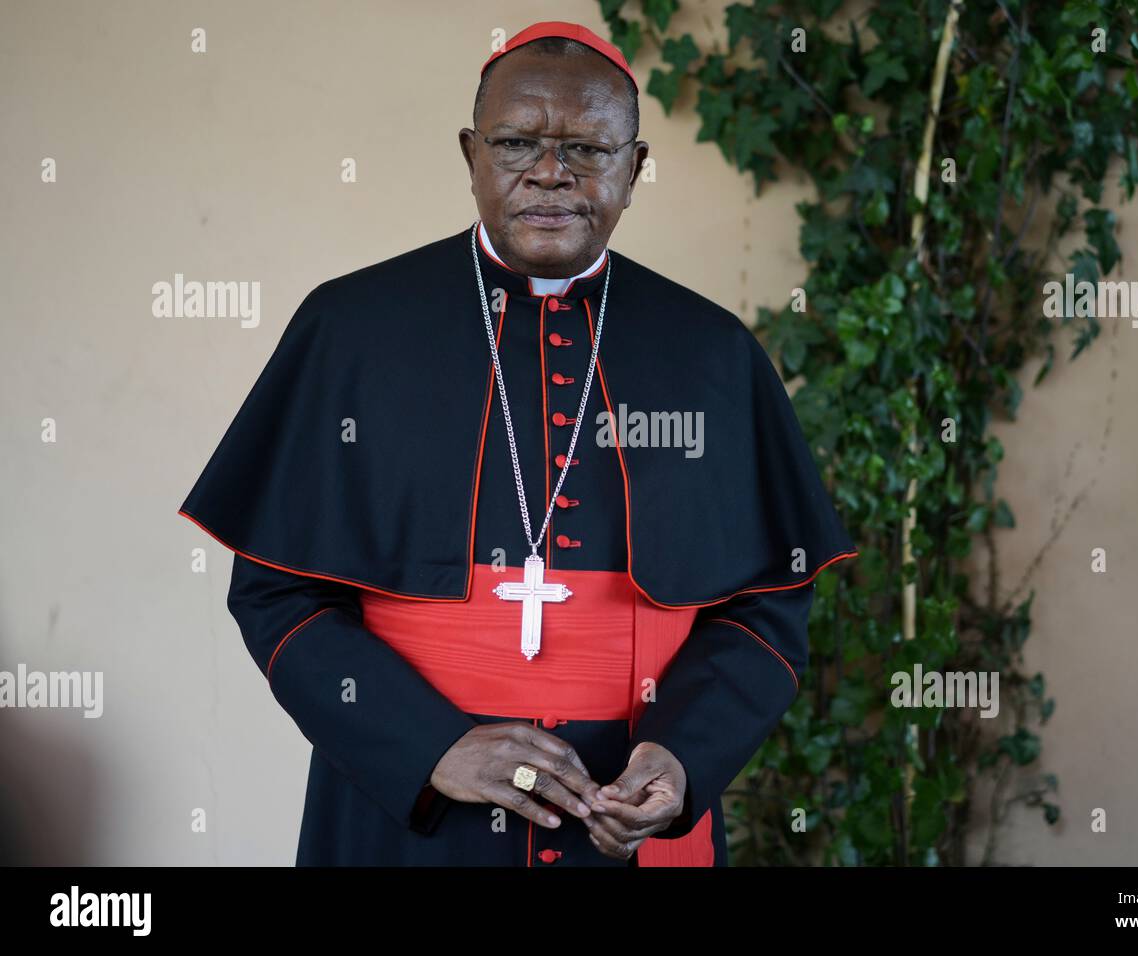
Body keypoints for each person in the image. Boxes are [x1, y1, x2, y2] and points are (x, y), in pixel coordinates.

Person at [178, 20, 857, 866]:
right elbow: (278, 599)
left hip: (623, 822)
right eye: (515, 142)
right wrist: (431, 747)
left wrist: (684, 757)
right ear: (470, 153)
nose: (550, 172)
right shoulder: (352, 329)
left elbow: (765, 606)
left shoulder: (711, 354)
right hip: (405, 823)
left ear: (635, 168)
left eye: (587, 148)